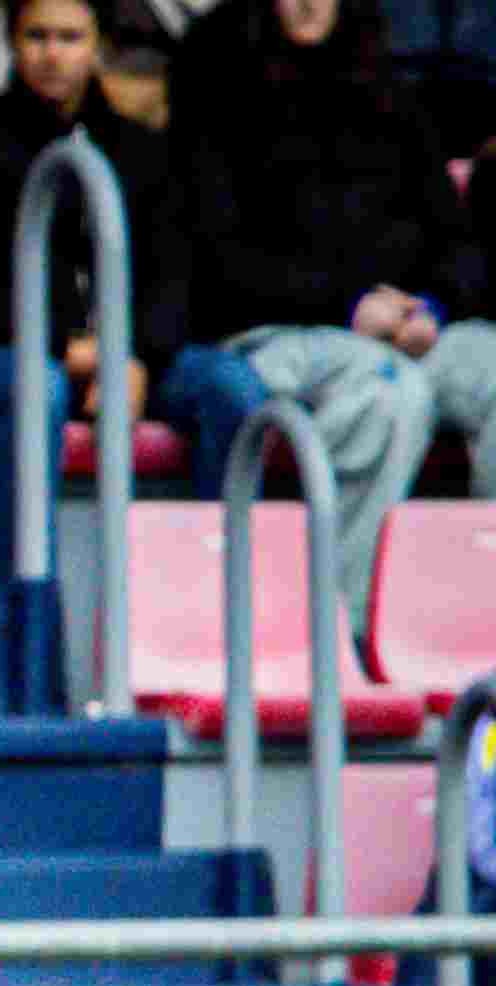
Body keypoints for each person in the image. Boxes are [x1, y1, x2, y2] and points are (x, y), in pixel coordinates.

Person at [171, 0, 496, 626]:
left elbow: (453, 241)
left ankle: (479, 631)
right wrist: (348, 306)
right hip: (274, 330)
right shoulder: (218, 90)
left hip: (402, 328)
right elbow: (218, 262)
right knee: (388, 394)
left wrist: (431, 306)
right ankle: (331, 631)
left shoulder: (392, 97)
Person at [0, 0, 272, 557]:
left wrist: (132, 355)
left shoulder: (142, 148)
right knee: (40, 387)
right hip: (0, 358)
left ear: (97, 48)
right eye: (37, 36)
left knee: (231, 386)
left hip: (128, 357)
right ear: (14, 44)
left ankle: (221, 589)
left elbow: (174, 276)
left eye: (70, 37)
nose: (52, 54)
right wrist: (72, 349)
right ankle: (23, 604)